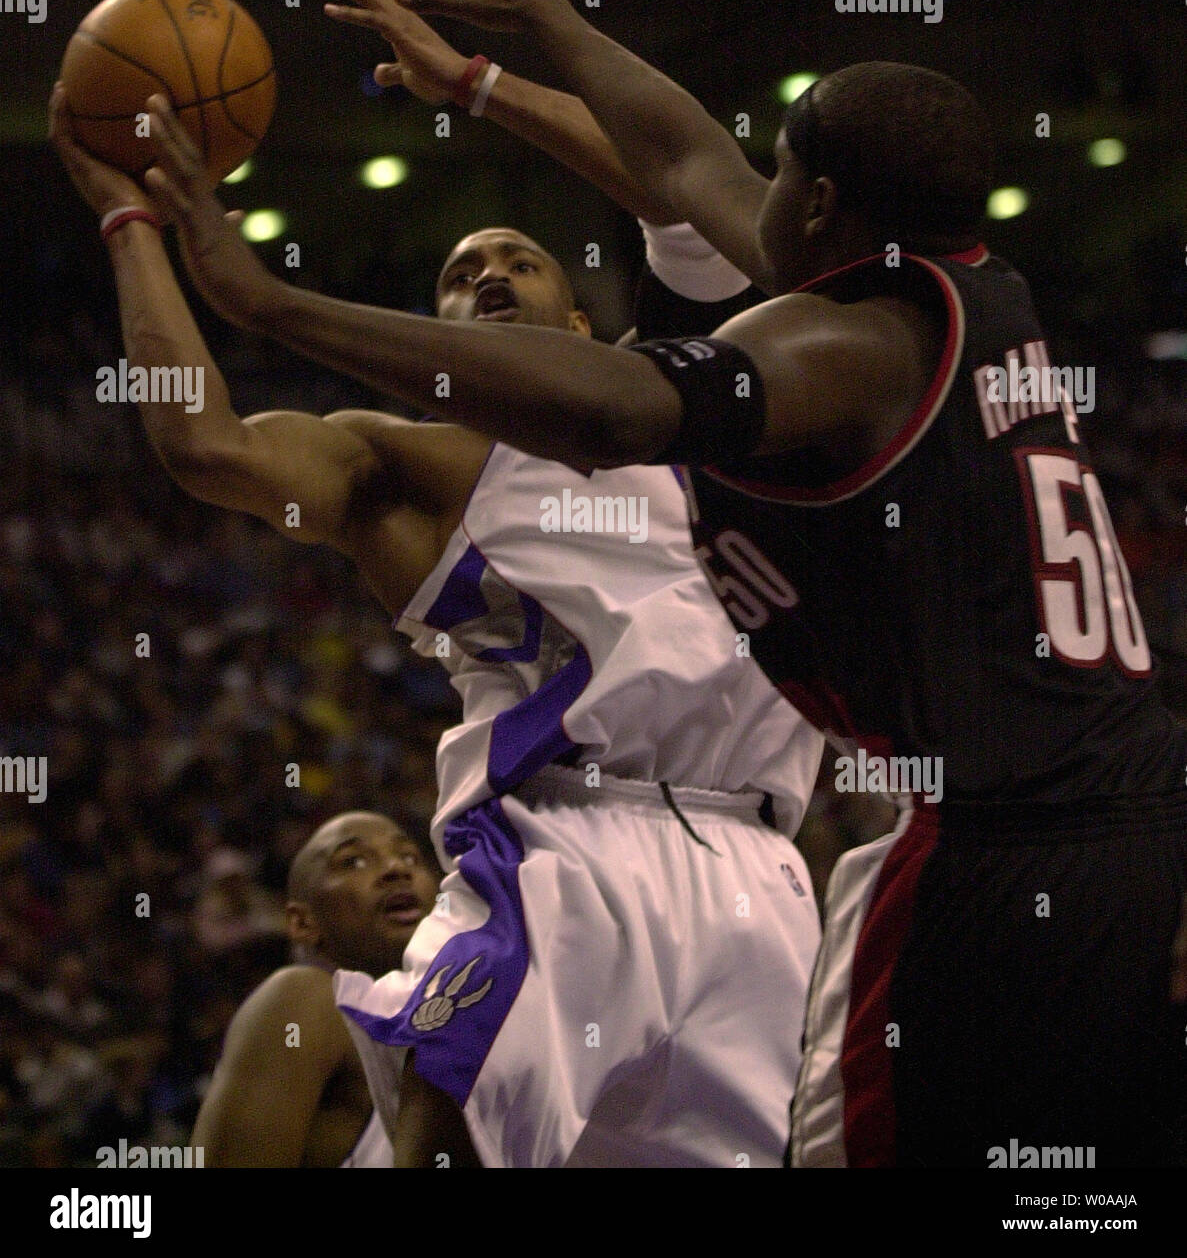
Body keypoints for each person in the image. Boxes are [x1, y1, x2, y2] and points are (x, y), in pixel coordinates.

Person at [148, 0, 1187, 1168]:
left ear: (816, 210)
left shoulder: (817, 361)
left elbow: (616, 395)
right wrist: (510, 45)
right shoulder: (971, 294)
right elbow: (684, 159)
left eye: (781, 175)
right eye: (460, 269)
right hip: (1116, 817)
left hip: (975, 839)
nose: (750, 193)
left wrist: (266, 301)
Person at [49, 87, 824, 1168]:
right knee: (449, 1129)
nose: (488, 275)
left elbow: (687, 196)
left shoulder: (694, 413)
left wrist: (486, 83)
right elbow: (209, 447)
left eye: (517, 260)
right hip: (571, 852)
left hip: (761, 869)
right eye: (459, 276)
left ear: (580, 324)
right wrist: (131, 224)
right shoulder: (418, 468)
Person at [192, 811, 440, 1167]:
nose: (396, 870)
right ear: (302, 922)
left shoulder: (450, 1016)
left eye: (409, 857)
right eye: (353, 861)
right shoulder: (304, 998)